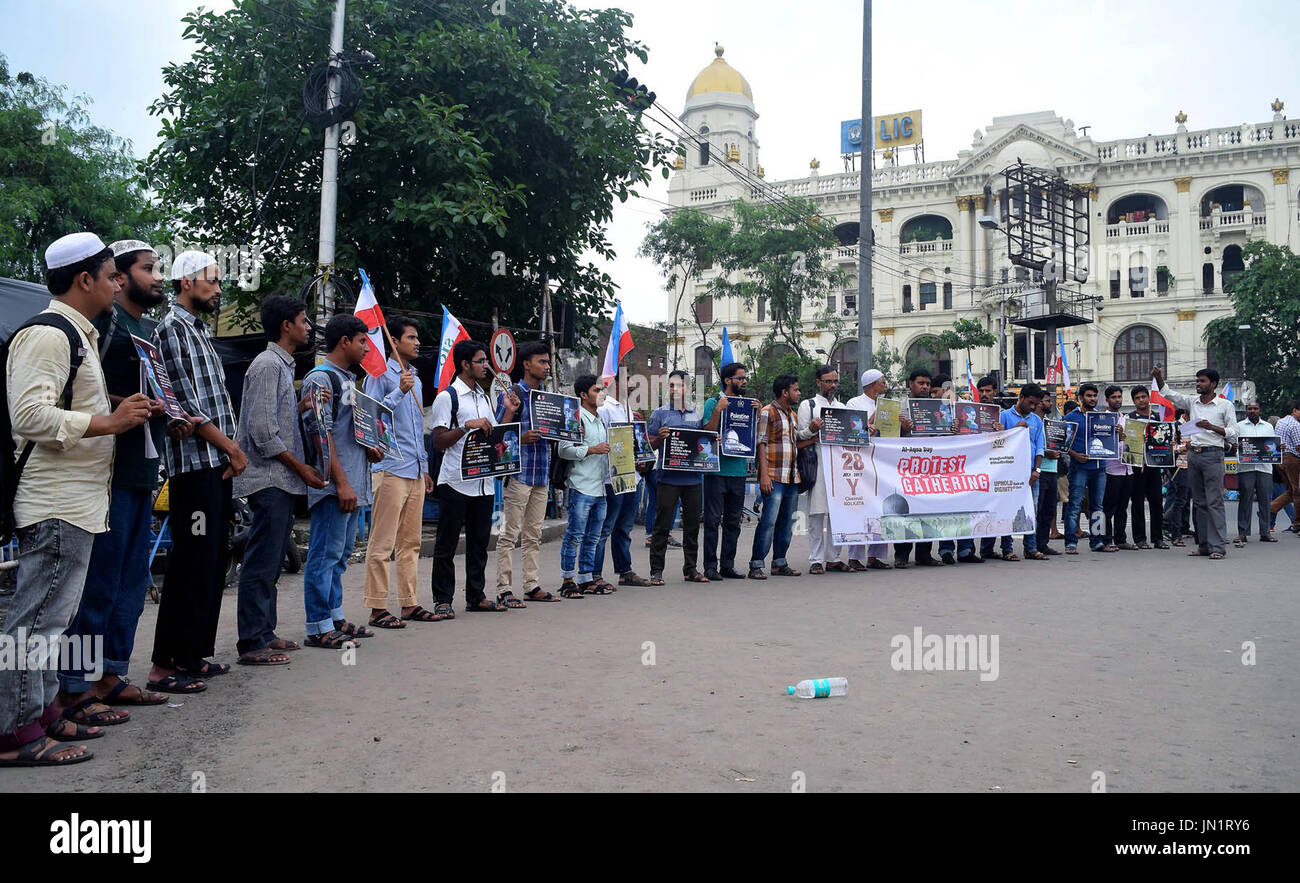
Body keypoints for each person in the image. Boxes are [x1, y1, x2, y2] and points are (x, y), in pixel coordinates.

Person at [1, 233, 152, 767]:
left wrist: (117, 410)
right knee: (35, 621)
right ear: (85, 279)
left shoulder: (80, 334)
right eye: (113, 275)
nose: (118, 284)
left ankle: (39, 715)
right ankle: (13, 733)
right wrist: (107, 421)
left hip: (79, 502)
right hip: (55, 501)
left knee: (53, 619)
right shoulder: (48, 333)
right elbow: (29, 415)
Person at [55, 240, 190, 722]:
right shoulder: (98, 328)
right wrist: (125, 406)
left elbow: (148, 394)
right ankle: (75, 689)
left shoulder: (147, 330)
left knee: (132, 580)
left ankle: (112, 676)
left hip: (140, 470)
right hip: (103, 472)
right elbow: (76, 395)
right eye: (146, 269)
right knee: (98, 584)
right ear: (119, 275)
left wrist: (166, 413)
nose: (156, 277)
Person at [148, 250, 246, 690]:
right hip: (195, 466)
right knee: (190, 562)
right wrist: (232, 449)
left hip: (217, 464)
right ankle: (165, 664)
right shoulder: (171, 329)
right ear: (185, 281)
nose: (219, 289)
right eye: (211, 280)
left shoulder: (200, 331)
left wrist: (229, 453)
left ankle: (194, 655)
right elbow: (185, 403)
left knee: (212, 561)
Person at [231, 297, 326, 666]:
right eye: (304, 321)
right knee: (260, 562)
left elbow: (275, 419)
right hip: (269, 478)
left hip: (282, 481)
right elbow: (262, 433)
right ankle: (251, 641)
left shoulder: (281, 367)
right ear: (286, 326)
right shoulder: (269, 365)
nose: (308, 328)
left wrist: (301, 408)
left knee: (271, 561)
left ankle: (264, 632)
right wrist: (301, 467)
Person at [299, 315, 383, 648]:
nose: (366, 347)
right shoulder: (321, 379)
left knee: (341, 554)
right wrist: (342, 482)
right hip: (335, 485)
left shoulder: (348, 380)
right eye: (362, 341)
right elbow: (322, 433)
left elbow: (349, 430)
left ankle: (334, 616)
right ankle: (317, 626)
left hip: (353, 479)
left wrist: (369, 447)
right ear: (344, 341)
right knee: (324, 555)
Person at [431, 340, 521, 612]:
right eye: (481, 361)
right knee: (446, 544)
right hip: (456, 481)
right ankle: (443, 600)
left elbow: (493, 436)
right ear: (465, 364)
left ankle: (475, 596)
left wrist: (508, 411)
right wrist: (465, 426)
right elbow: (438, 441)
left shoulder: (483, 396)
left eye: (485, 361)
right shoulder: (448, 397)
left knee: (480, 542)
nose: (486, 366)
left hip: (483, 483)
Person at [363, 316, 433, 628]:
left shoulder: (414, 377)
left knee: (411, 542)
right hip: (390, 468)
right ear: (394, 341)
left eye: (417, 338)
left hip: (415, 469)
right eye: (411, 338)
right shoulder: (379, 374)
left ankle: (409, 603)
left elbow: (416, 429)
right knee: (382, 543)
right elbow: (370, 418)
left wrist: (426, 467)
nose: (417, 343)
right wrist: (398, 392)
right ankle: (377, 607)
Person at [494, 341, 561, 603]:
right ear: (526, 364)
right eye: (541, 362)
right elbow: (498, 432)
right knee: (509, 533)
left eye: (547, 362)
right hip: (519, 474)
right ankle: (503, 589)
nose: (546, 367)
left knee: (534, 534)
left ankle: (531, 585)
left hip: (542, 474)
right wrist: (520, 437)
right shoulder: (512, 394)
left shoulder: (549, 398)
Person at [1152, 365, 1237, 560]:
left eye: (1202, 381)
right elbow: (1170, 395)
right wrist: (1159, 377)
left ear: (1213, 384)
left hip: (1213, 454)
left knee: (1214, 501)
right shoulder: (1193, 402)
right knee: (1199, 503)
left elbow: (1234, 432)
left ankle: (1218, 547)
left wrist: (1211, 427)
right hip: (1194, 455)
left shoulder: (1225, 406)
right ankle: (1204, 545)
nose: (1198, 384)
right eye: (1197, 381)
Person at [647, 370, 705, 585]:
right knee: (662, 526)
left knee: (692, 526)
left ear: (688, 388)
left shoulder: (696, 414)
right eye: (671, 386)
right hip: (668, 478)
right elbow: (648, 444)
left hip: (693, 479)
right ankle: (656, 571)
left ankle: (690, 569)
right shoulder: (659, 414)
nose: (674, 390)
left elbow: (703, 443)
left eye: (678, 385)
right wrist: (658, 439)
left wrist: (712, 439)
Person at [556, 374, 611, 596]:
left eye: (601, 390)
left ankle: (587, 577)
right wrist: (591, 449)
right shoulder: (575, 418)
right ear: (583, 395)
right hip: (580, 485)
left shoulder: (601, 419)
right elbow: (563, 449)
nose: (601, 394)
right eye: (596, 390)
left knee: (593, 536)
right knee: (575, 535)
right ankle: (568, 579)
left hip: (600, 486)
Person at [592, 386, 652, 588]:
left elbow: (634, 442)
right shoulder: (605, 406)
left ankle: (624, 570)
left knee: (624, 528)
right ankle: (594, 574)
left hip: (632, 476)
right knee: (605, 528)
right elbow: (602, 440)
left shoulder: (627, 408)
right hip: (613, 477)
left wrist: (640, 459)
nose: (632, 385)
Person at [748, 374, 804, 579]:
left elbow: (796, 443)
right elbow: (760, 443)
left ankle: (780, 562)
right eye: (796, 390)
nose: (798, 393)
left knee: (787, 522)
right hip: (773, 475)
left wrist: (815, 433)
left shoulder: (793, 415)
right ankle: (756, 564)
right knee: (769, 521)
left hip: (791, 477)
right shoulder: (767, 412)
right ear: (785, 392)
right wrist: (763, 476)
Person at [700, 362, 751, 579]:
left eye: (744, 378)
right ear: (728, 380)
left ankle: (727, 564)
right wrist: (719, 410)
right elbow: (707, 432)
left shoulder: (747, 405)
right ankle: (710, 566)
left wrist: (756, 412)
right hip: (717, 471)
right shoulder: (713, 402)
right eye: (740, 378)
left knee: (733, 521)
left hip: (738, 471)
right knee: (712, 520)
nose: (744, 381)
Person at [795, 364, 848, 575]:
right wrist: (812, 430)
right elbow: (799, 436)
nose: (832, 385)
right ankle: (816, 559)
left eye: (835, 381)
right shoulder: (808, 405)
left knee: (838, 513)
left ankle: (833, 558)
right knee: (817, 513)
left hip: (839, 464)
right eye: (828, 381)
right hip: (817, 462)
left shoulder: (843, 407)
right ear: (819, 382)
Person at [985, 384, 1047, 560]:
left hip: (1030, 474)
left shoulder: (1036, 421)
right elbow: (996, 443)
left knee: (1031, 511)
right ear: (1021, 398)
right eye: (1030, 402)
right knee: (1008, 511)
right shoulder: (1004, 416)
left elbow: (1040, 448)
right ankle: (1007, 549)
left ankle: (1031, 548)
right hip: (1009, 473)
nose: (1033, 407)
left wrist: (1037, 470)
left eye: (1036, 404)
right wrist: (1013, 431)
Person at [845, 369, 892, 570]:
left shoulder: (887, 404)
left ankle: (876, 555)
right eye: (883, 381)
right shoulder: (854, 403)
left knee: (883, 508)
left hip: (883, 462)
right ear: (874, 384)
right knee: (859, 508)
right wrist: (872, 420)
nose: (885, 384)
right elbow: (852, 430)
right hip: (861, 463)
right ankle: (855, 556)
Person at [895, 369, 942, 568]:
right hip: (907, 468)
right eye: (920, 383)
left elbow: (944, 437)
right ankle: (902, 555)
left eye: (927, 384)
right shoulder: (898, 408)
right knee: (905, 511)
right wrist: (901, 429)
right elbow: (885, 435)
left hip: (930, 467)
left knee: (928, 510)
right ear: (910, 384)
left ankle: (925, 554)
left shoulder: (938, 408)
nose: (924, 387)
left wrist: (952, 427)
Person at [1062, 382, 1107, 554]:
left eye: (1095, 396)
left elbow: (1111, 440)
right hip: (1079, 467)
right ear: (1080, 398)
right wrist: (1074, 454)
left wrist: (1118, 432)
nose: (1093, 399)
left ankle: (1097, 542)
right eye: (1089, 396)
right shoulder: (1070, 418)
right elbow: (1061, 443)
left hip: (1099, 467)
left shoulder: (1103, 417)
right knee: (1074, 505)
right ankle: (1071, 543)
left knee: (1098, 506)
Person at [1127, 385, 1168, 549]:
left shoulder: (1157, 417)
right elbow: (1126, 443)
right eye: (1137, 398)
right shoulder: (1129, 418)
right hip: (1137, 464)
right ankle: (1139, 538)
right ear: (1133, 401)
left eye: (1143, 397)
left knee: (1157, 502)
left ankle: (1158, 538)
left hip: (1154, 464)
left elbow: (1164, 439)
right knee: (1137, 503)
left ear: (1148, 398)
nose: (1141, 400)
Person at [1235, 400, 1277, 545]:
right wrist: (1236, 447)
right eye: (1250, 408)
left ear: (1260, 410)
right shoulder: (1239, 426)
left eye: (1255, 408)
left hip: (1264, 468)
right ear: (1246, 410)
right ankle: (1243, 533)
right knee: (1245, 500)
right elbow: (1235, 445)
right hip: (1245, 468)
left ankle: (1265, 532)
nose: (1252, 411)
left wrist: (1279, 449)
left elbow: (1272, 446)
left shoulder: (1268, 426)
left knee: (1265, 501)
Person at [1100, 385, 1132, 552]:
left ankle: (1121, 539)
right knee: (1107, 507)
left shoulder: (1126, 420)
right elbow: (1097, 443)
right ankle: (1105, 539)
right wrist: (1114, 435)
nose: (1117, 400)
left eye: (1119, 397)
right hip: (1109, 469)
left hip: (1127, 468)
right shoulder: (1101, 419)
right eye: (1114, 397)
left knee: (1122, 506)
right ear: (1107, 400)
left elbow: (1132, 442)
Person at [1034, 396, 1062, 555]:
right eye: (1046, 400)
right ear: (1038, 403)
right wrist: (1047, 453)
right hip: (1040, 470)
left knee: (1049, 509)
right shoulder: (1034, 422)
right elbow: (1032, 446)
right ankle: (1032, 545)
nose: (1049, 403)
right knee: (1038, 509)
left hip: (1053, 470)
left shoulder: (1051, 424)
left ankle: (1043, 543)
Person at [1269, 399, 1300, 532]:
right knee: (1297, 492)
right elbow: (1299, 446)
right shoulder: (1295, 425)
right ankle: (1297, 523)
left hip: (1281, 459)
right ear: (1295, 411)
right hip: (1292, 459)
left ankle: (1269, 509)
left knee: (1291, 491)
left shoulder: (1280, 422)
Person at [1163, 410, 1193, 545]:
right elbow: (1169, 447)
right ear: (1187, 412)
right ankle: (1175, 533)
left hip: (1195, 466)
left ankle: (1181, 528)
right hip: (1180, 467)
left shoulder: (1196, 426)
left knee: (1187, 501)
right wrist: (1184, 447)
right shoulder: (1175, 426)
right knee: (1179, 501)